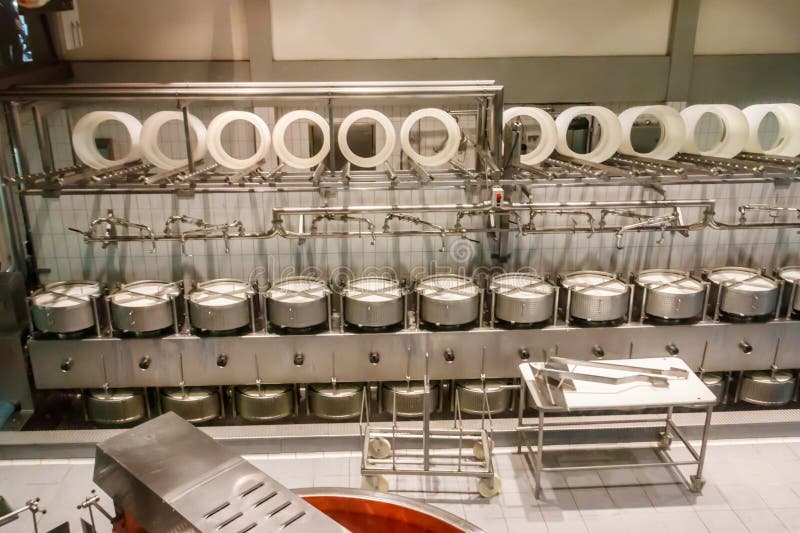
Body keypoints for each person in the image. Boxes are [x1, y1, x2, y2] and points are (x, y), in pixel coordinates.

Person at [0, 0, 25, 69]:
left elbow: (15, 15)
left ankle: (16, 66)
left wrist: (19, 28)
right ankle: (9, 67)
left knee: (16, 47)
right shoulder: (8, 3)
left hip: (11, 29)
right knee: (5, 50)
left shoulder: (8, 3)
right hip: (3, 31)